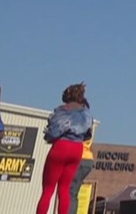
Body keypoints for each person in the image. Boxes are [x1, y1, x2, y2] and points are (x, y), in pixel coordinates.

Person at [36, 83, 94, 214]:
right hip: (77, 148)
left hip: (61, 146)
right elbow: (88, 134)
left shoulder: (62, 110)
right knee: (64, 189)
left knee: (48, 189)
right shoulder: (86, 113)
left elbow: (52, 132)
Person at [69, 110, 96, 214]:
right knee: (74, 192)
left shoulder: (78, 130)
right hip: (88, 159)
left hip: (79, 157)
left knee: (69, 191)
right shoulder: (88, 129)